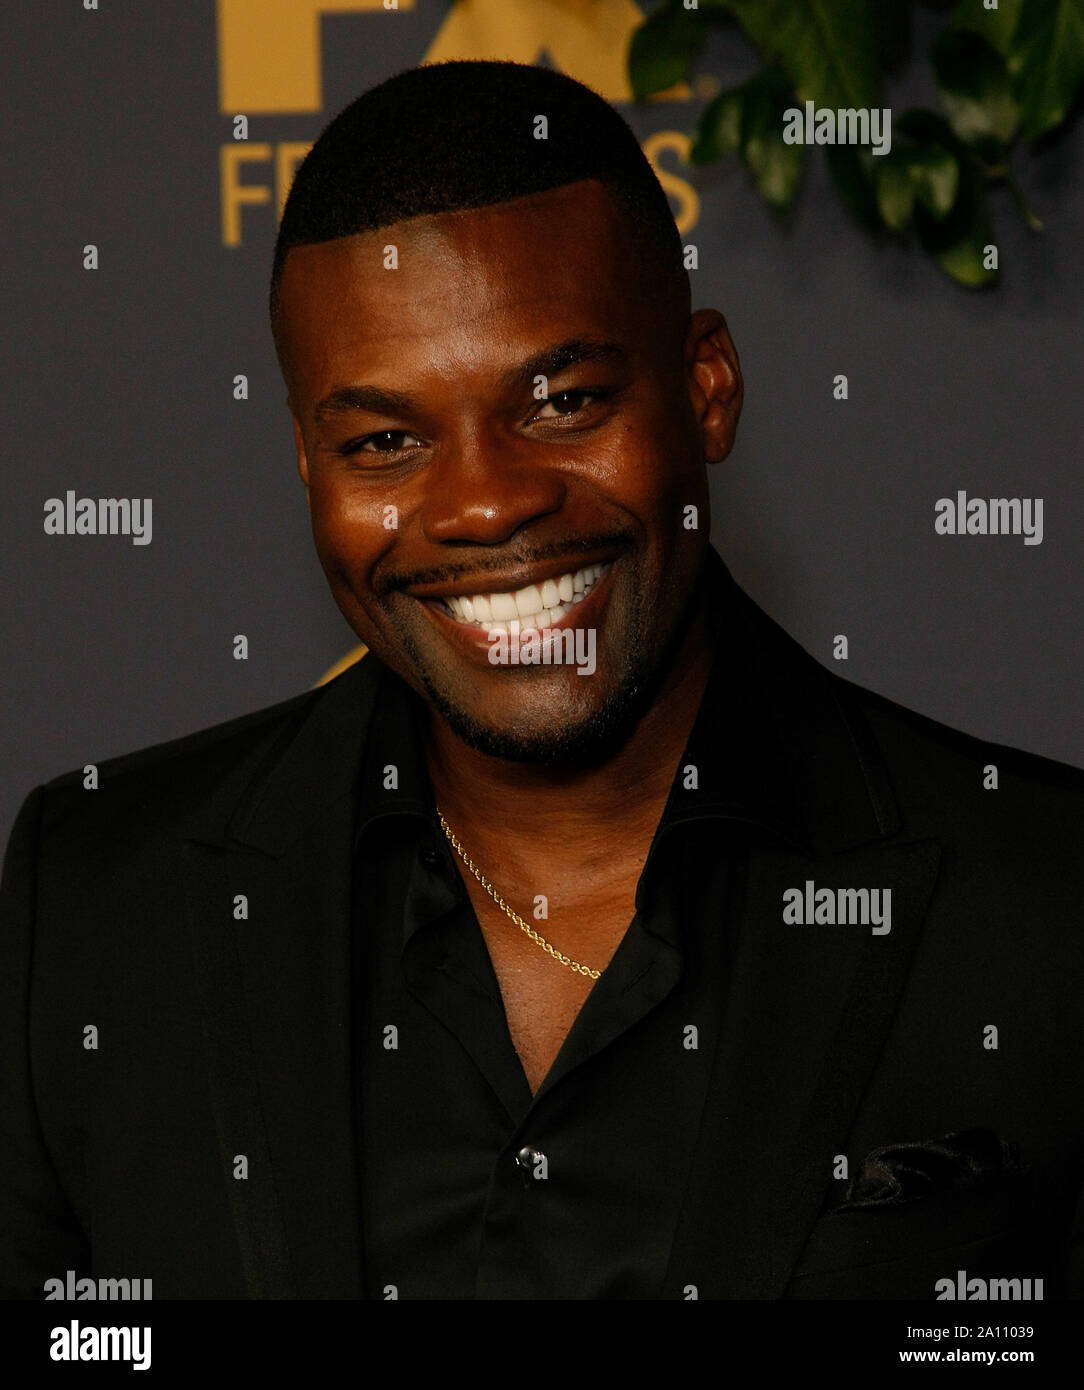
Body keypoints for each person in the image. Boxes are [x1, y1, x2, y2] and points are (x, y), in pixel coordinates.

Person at [2, 59, 1082, 1302]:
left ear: (706, 387)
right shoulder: (92, 906)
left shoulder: (1043, 912)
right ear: (310, 465)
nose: (481, 500)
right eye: (385, 442)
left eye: (562, 401)